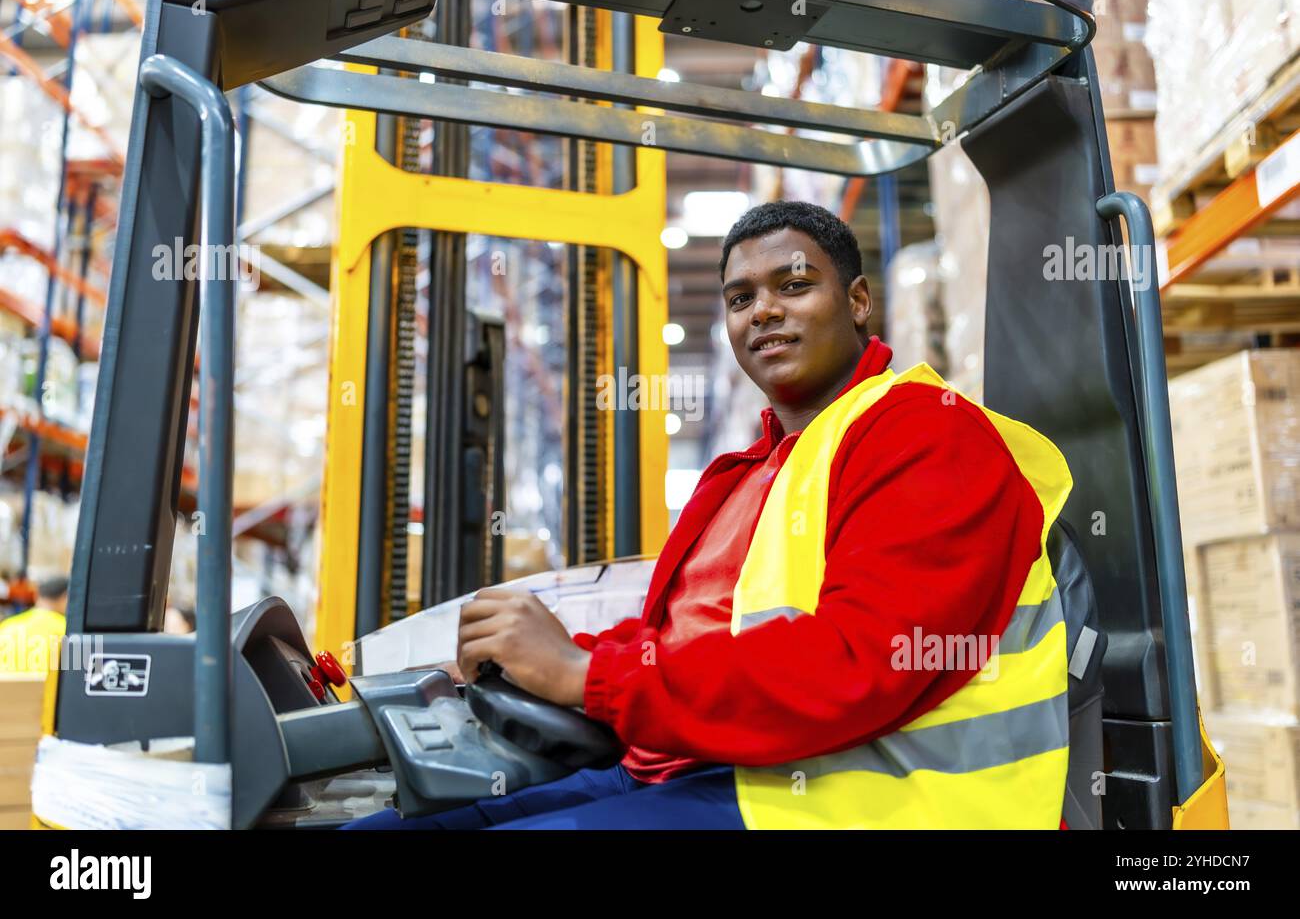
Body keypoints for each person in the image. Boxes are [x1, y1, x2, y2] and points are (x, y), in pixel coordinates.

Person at [345, 200, 1072, 830]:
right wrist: (538, 657)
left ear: (856, 301)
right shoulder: (752, 470)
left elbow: (852, 666)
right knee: (395, 820)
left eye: (794, 285)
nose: (764, 310)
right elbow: (685, 638)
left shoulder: (926, 435)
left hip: (870, 801)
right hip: (728, 768)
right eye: (740, 297)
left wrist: (585, 676)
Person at [0, 575, 69, 674]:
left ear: (37, 596)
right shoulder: (66, 629)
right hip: (48, 689)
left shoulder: (6, 626)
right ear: (66, 597)